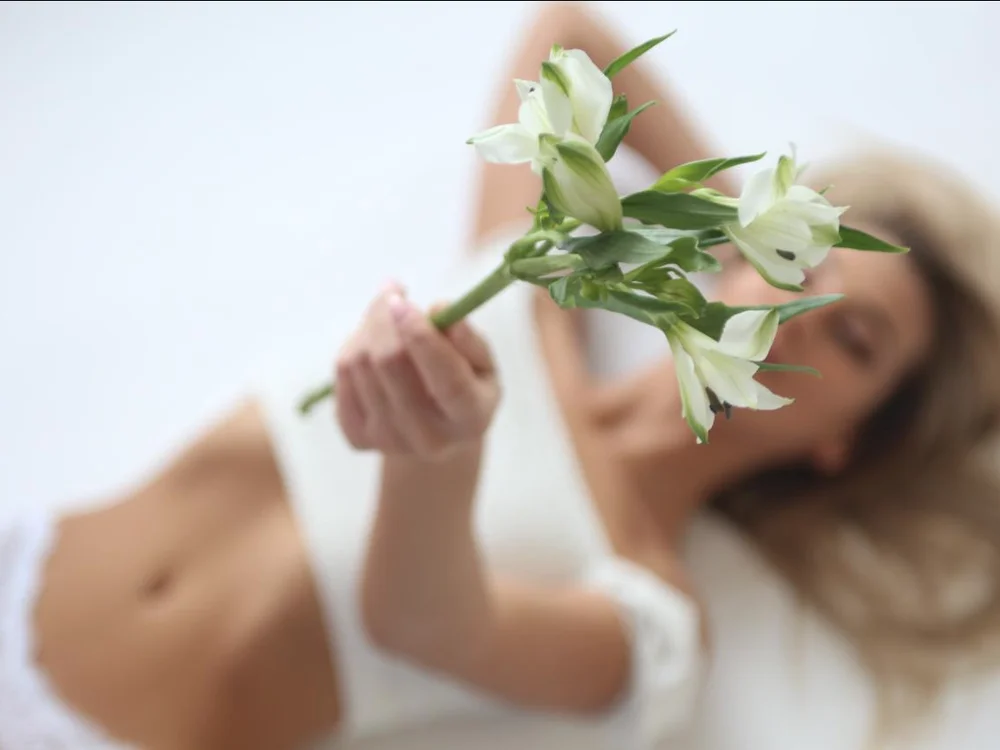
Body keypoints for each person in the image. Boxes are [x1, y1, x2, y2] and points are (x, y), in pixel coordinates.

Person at [3, 2, 1000, 749]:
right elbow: (566, 38)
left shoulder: (653, 615)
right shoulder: (523, 289)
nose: (799, 308)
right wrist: (747, 215)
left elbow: (425, 624)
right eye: (800, 265)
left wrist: (438, 458)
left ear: (844, 442)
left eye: (854, 338)